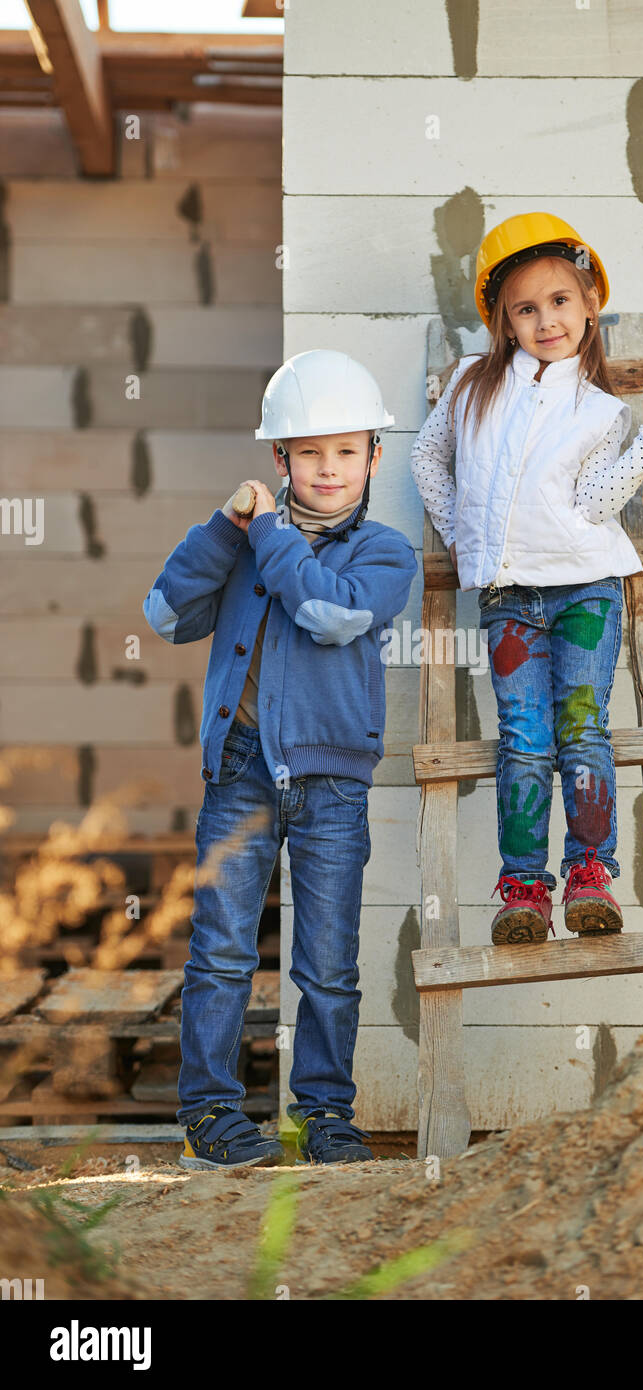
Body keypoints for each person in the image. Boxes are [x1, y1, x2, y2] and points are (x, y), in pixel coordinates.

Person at [143, 350, 417, 1167]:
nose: (327, 469)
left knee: (328, 963)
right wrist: (222, 530)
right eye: (307, 453)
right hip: (240, 769)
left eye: (345, 451)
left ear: (374, 455)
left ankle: (325, 1116)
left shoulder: (384, 552)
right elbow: (163, 613)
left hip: (331, 779)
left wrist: (265, 532)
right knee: (222, 949)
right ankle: (211, 1117)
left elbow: (329, 616)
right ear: (279, 460)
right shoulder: (244, 541)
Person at [410, 212, 643, 945]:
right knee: (524, 739)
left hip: (583, 593)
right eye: (526, 309)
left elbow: (598, 504)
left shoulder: (598, 410)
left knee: (581, 730)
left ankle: (589, 875)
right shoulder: (472, 387)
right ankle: (522, 889)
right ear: (502, 321)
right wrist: (465, 535)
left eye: (560, 302)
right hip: (509, 597)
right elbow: (424, 460)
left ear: (588, 305)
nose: (545, 320)